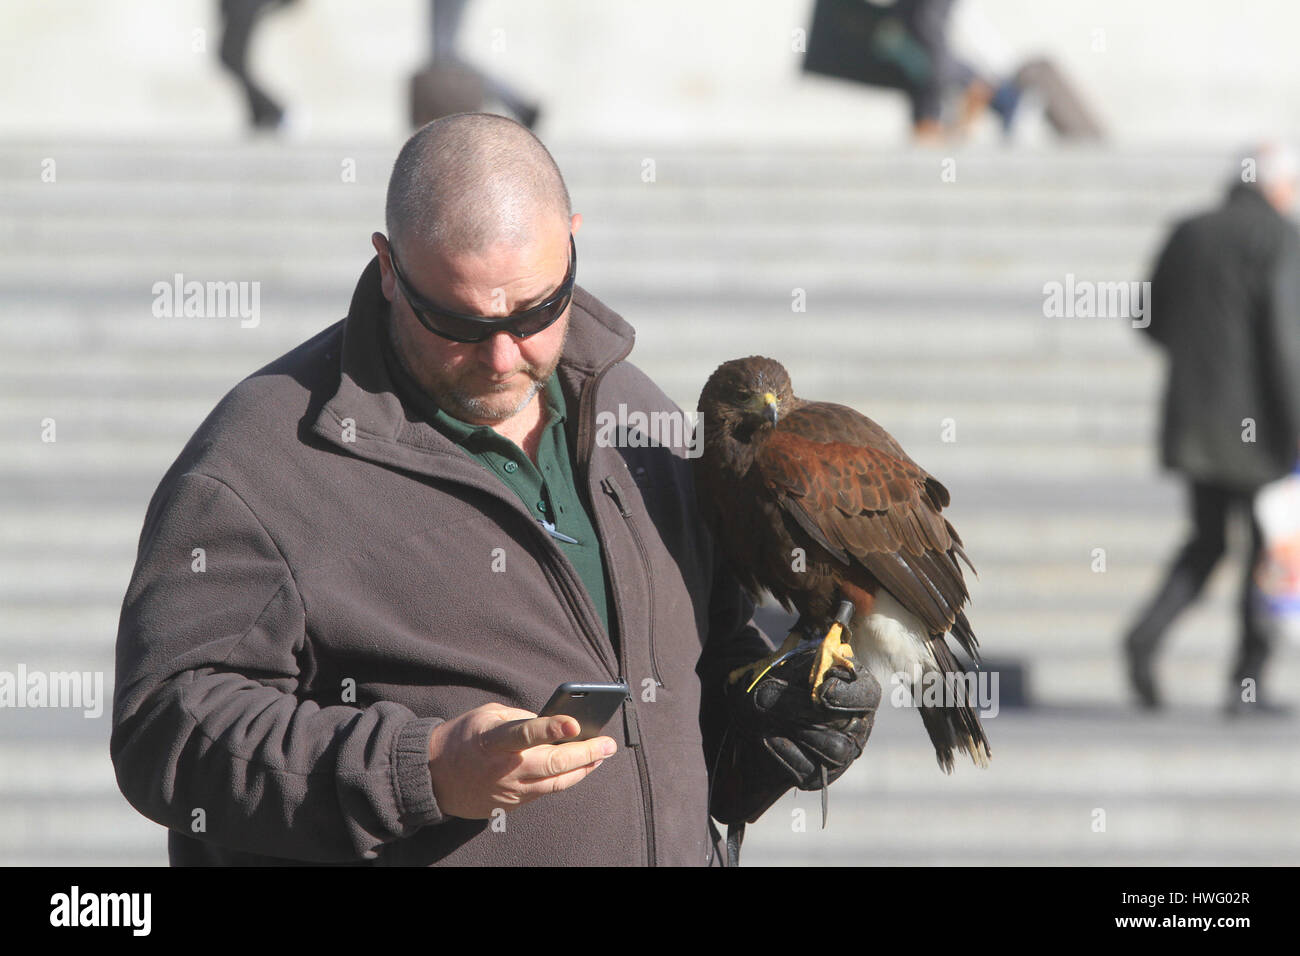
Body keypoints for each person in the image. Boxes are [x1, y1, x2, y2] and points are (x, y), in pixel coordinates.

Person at [111, 113, 877, 865]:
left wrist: (768, 726)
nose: (505, 356)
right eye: (459, 322)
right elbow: (166, 728)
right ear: (388, 266)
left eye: (538, 309)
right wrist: (426, 770)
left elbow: (700, 669)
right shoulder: (263, 460)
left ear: (572, 240)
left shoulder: (640, 416)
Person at [1123, 143, 1300, 716]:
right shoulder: (1279, 237)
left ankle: (1145, 636)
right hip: (1262, 427)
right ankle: (1246, 680)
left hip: (1196, 421)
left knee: (1208, 540)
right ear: (1277, 187)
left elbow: (1146, 320)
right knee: (1262, 547)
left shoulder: (1190, 231)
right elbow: (1286, 342)